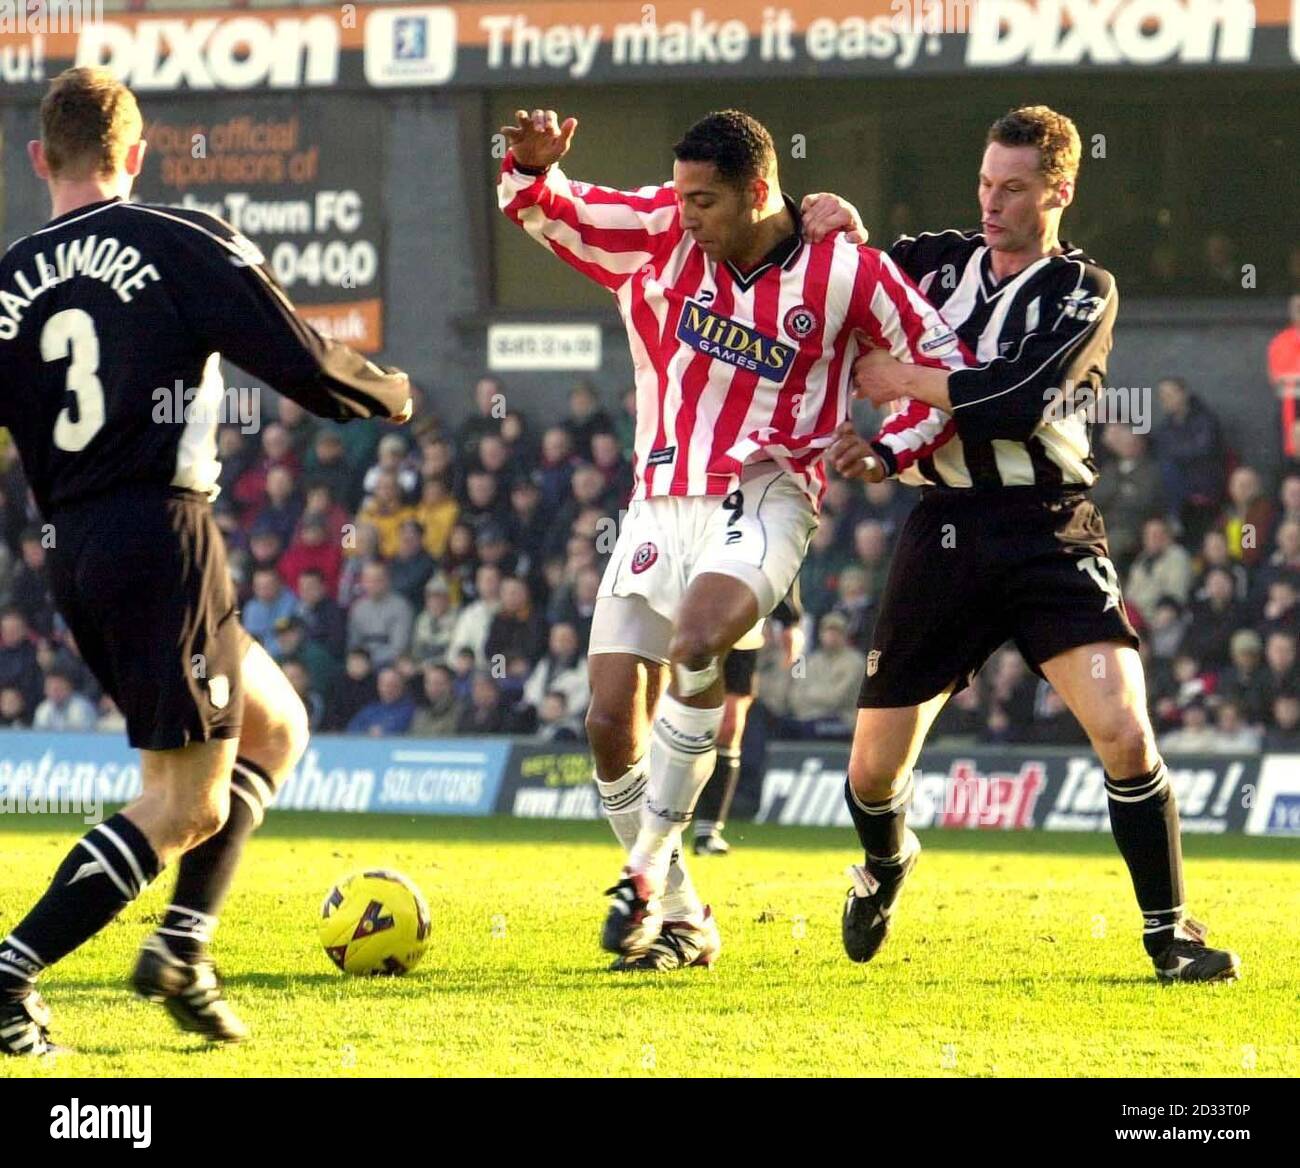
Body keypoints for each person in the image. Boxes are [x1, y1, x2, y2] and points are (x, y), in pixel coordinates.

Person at [0, 68, 411, 1055]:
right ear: (135, 156)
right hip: (165, 537)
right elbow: (302, 361)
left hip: (77, 549)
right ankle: (9, 974)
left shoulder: (8, 279)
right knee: (184, 803)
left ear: (37, 158)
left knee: (278, 726)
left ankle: (181, 946)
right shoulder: (177, 237)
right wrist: (390, 395)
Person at [498, 105, 963, 971]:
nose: (686, 215)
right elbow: (559, 210)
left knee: (700, 639)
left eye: (704, 201)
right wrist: (530, 167)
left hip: (767, 489)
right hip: (657, 499)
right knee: (606, 721)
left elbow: (938, 362)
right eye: (679, 197)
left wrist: (892, 442)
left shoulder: (845, 271)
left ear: (759, 192)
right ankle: (681, 914)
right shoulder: (666, 234)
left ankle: (639, 873)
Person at [808, 105, 1238, 982]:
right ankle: (888, 866)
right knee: (871, 771)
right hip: (946, 530)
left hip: (1048, 525)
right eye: (984, 184)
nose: (992, 203)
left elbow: (1018, 400)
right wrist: (821, 219)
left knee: (1123, 730)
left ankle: (1169, 937)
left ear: (1060, 190)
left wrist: (900, 381)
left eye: (1012, 188)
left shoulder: (1087, 289)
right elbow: (846, 279)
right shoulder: (935, 261)